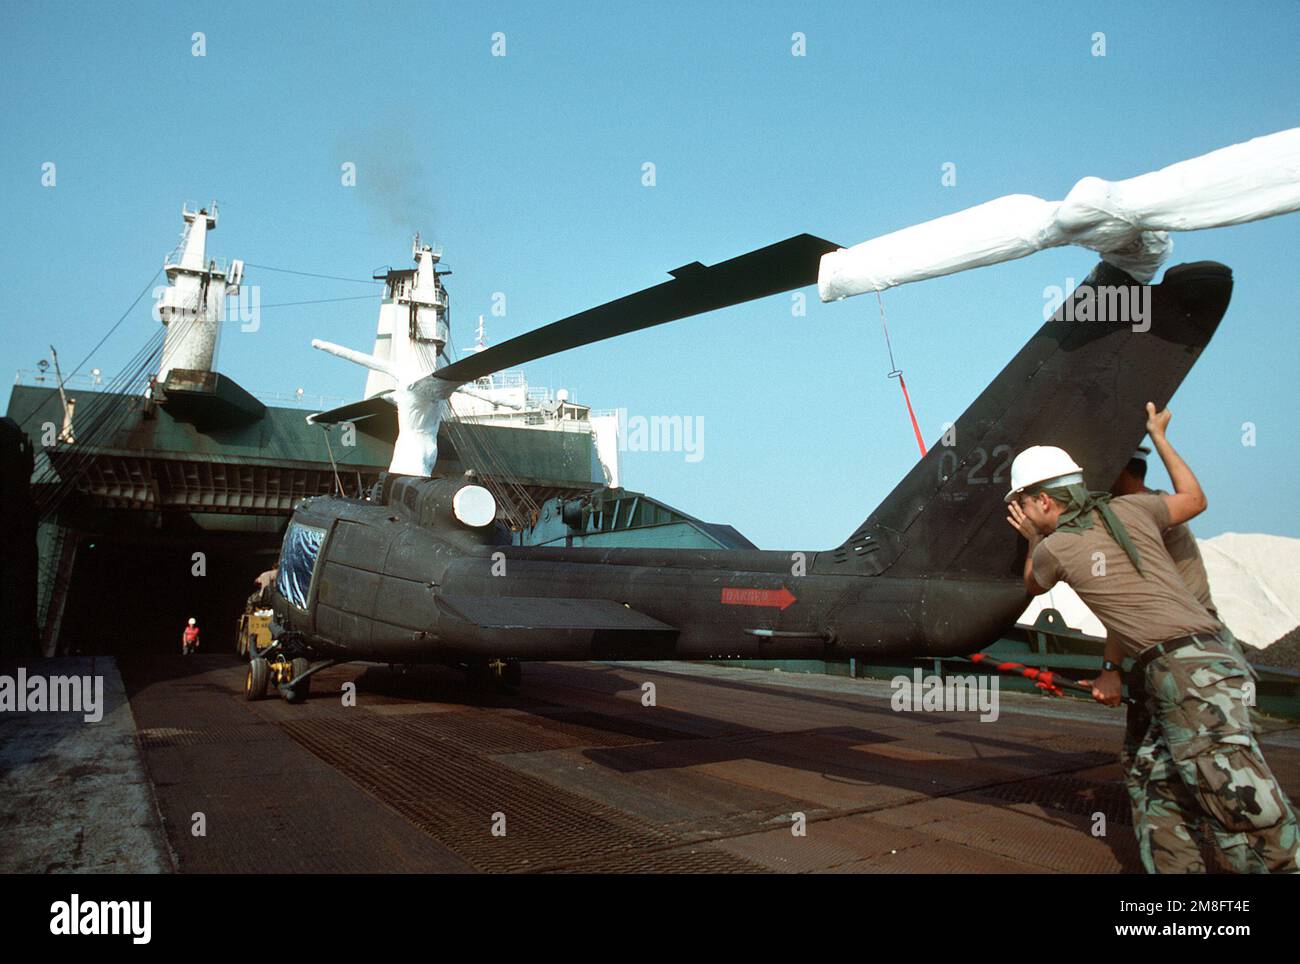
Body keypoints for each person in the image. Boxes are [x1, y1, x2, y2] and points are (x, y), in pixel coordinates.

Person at [1004, 402, 1299, 874]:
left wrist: (1035, 537)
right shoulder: (1135, 509)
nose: (1019, 514)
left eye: (1021, 506)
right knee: (1154, 778)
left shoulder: (1055, 548)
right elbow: (1195, 501)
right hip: (1202, 660)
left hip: (1186, 674)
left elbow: (1033, 584)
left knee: (1234, 795)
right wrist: (1160, 437)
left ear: (1042, 502)